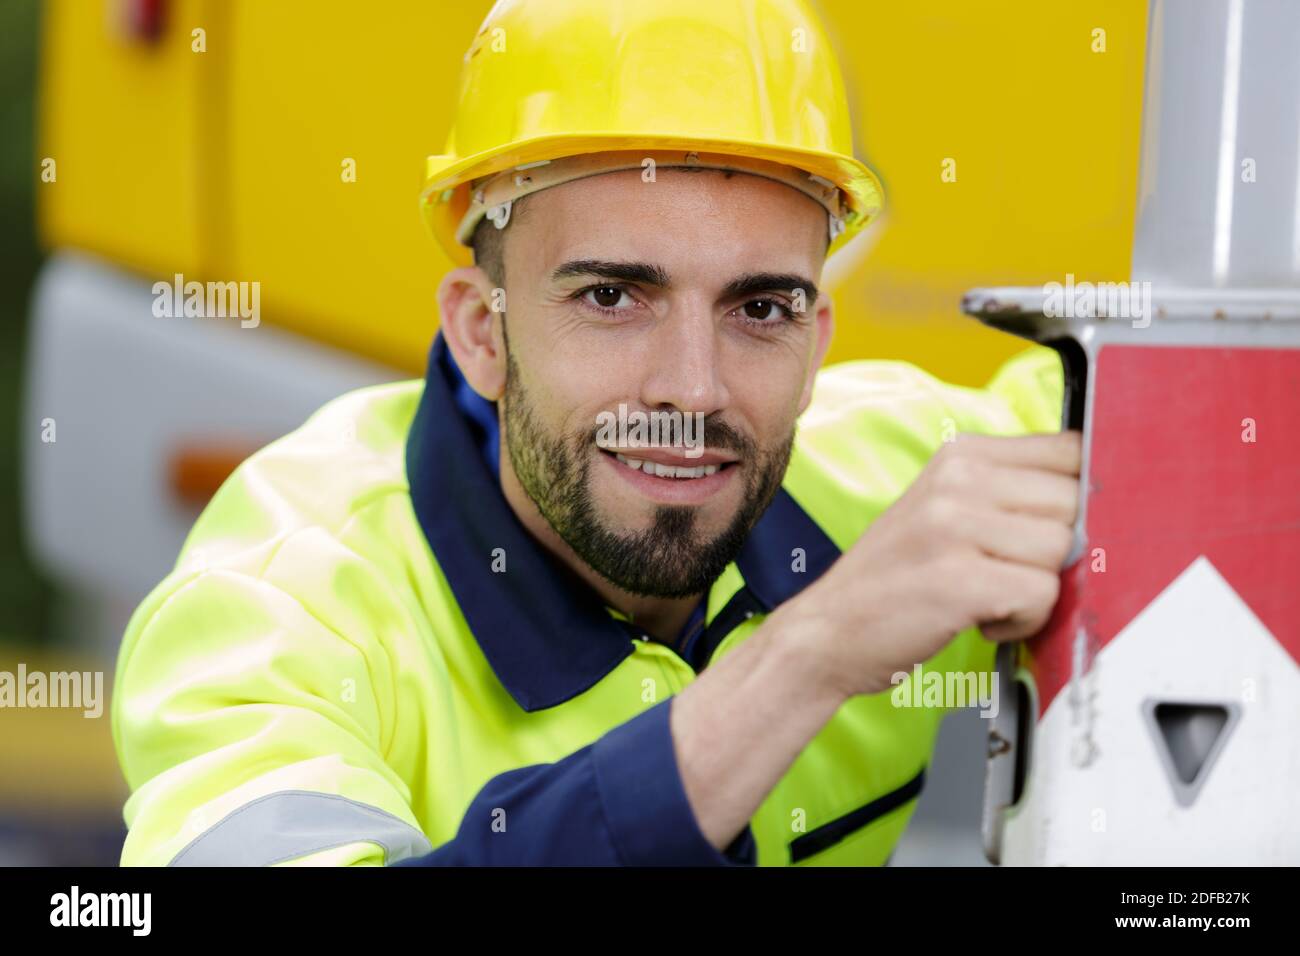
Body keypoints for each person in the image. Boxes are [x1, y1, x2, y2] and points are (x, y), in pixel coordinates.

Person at [112, 0, 1080, 866]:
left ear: (818, 337)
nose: (693, 389)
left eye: (761, 308)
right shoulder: (279, 609)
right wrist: (807, 657)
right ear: (481, 330)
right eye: (612, 296)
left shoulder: (912, 489)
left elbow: (1191, 384)